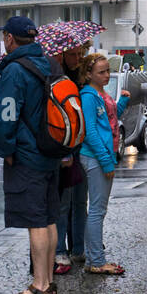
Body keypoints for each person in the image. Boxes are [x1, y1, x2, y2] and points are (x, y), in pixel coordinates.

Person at [0, 16, 61, 294]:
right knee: (48, 218)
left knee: (35, 222)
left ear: (9, 38)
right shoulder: (49, 64)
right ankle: (48, 282)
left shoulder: (14, 71)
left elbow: (7, 114)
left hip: (27, 156)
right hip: (51, 152)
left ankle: (39, 286)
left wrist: (6, 149)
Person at [80, 52, 131, 275]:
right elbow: (90, 131)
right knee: (97, 211)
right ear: (88, 73)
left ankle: (93, 258)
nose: (106, 75)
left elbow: (110, 120)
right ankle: (97, 261)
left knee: (97, 210)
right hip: (94, 157)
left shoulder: (100, 93)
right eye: (101, 72)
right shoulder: (89, 96)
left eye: (108, 70)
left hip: (101, 155)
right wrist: (105, 161)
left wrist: (124, 102)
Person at [54, 42, 92, 273]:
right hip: (67, 147)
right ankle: (60, 250)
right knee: (63, 203)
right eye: (72, 54)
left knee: (80, 201)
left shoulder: (83, 80)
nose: (76, 58)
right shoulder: (59, 80)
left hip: (82, 147)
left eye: (80, 54)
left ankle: (78, 248)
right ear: (62, 55)